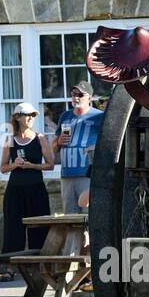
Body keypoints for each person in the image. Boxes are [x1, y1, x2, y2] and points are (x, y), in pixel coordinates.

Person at [0, 102, 55, 271]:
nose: (30, 118)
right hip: (15, 190)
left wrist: (32, 166)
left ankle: (39, 267)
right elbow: (2, 168)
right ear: (17, 117)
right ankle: (10, 268)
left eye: (33, 115)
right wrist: (14, 165)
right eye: (27, 115)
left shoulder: (40, 138)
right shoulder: (9, 139)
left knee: (38, 227)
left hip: (36, 189)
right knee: (12, 228)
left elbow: (50, 164)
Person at [55, 81, 104, 217]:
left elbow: (109, 143)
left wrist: (96, 147)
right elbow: (53, 147)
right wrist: (59, 141)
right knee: (69, 219)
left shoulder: (99, 116)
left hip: (88, 175)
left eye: (80, 95)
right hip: (67, 175)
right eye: (73, 94)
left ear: (89, 98)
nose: (76, 98)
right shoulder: (65, 116)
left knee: (89, 218)